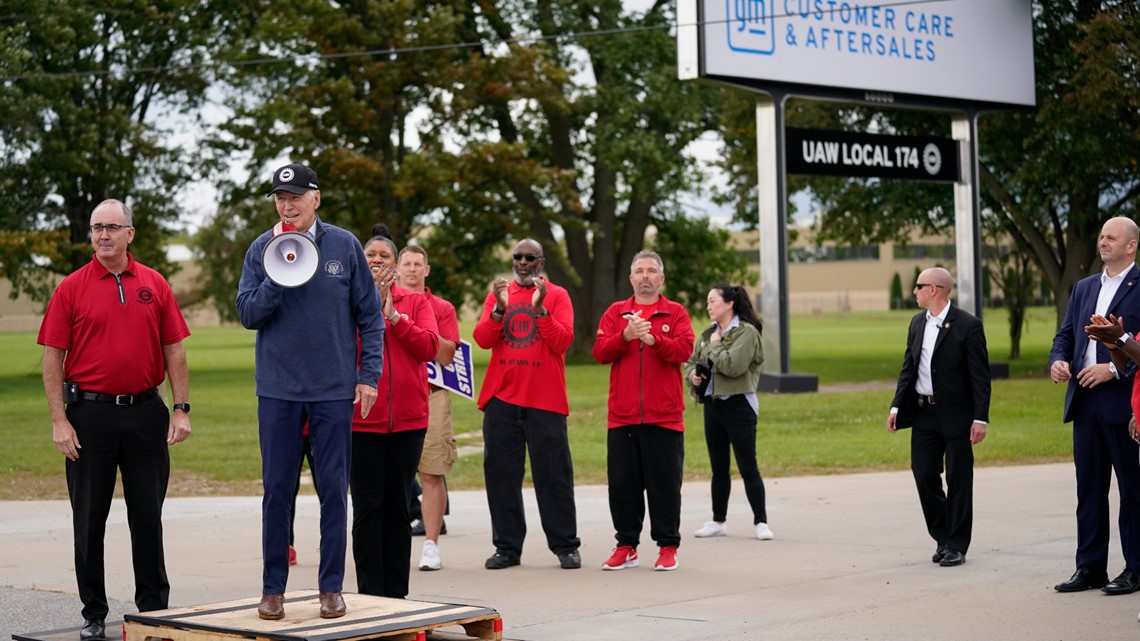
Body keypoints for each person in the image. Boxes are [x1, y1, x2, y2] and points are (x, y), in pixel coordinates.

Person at [38, 199, 191, 640]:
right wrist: (59, 420)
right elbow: (53, 358)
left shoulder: (155, 284)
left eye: (112, 227)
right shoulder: (71, 287)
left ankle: (153, 611)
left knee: (148, 516)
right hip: (89, 416)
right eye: (96, 228)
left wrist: (180, 408)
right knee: (89, 519)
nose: (103, 235)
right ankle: (93, 612)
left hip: (146, 413)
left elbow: (174, 349)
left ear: (130, 233)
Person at [236, 163, 384, 620]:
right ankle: (272, 589)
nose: (287, 204)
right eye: (280, 197)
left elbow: (369, 316)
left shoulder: (344, 246)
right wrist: (276, 280)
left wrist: (369, 375)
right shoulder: (262, 248)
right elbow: (247, 313)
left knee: (334, 491)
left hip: (332, 389)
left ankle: (331, 588)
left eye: (296, 196)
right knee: (277, 491)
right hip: (278, 390)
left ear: (315, 198)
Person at [473, 238, 581, 570]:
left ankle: (565, 545)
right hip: (502, 398)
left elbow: (562, 341)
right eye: (518, 256)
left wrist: (541, 309)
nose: (522, 262)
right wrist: (499, 308)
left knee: (553, 476)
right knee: (501, 475)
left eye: (529, 257)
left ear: (541, 262)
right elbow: (482, 339)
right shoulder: (499, 293)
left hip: (545, 400)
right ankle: (507, 547)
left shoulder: (558, 295)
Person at [1049, 216, 1140, 595]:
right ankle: (1089, 567)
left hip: (1124, 402)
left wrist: (1113, 371)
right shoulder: (1085, 287)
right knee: (1088, 489)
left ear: (1131, 245)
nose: (1102, 242)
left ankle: (1135, 568)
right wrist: (1059, 360)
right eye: (1101, 235)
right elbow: (1066, 333)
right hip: (1084, 402)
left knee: (1133, 490)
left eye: (1111, 237)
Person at [350, 226, 439, 598]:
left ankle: (396, 595)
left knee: (399, 508)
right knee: (368, 507)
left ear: (397, 265)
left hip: (408, 421)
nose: (377, 261)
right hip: (360, 421)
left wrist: (394, 315)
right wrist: (368, 306)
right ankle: (371, 594)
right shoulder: (347, 301)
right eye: (369, 256)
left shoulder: (416, 303)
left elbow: (431, 347)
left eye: (384, 256)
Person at [593, 251, 695, 571]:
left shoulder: (675, 313)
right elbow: (600, 352)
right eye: (640, 271)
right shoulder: (615, 312)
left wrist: (652, 339)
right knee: (623, 486)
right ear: (631, 279)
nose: (646, 276)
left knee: (664, 486)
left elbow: (684, 349)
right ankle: (626, 545)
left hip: (664, 417)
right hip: (622, 417)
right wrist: (626, 335)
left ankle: (667, 546)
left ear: (661, 279)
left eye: (652, 271)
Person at [886, 267, 991, 567]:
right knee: (924, 474)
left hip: (957, 415)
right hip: (923, 412)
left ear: (934, 289)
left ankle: (957, 545)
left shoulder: (968, 326)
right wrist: (896, 407)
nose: (914, 291)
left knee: (959, 479)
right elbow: (909, 367)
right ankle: (943, 535)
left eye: (918, 286)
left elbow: (980, 377)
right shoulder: (917, 323)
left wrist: (980, 418)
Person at [684, 284, 771, 541]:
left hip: (739, 405)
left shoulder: (747, 333)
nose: (708, 306)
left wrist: (714, 346)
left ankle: (761, 521)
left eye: (713, 301)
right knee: (718, 467)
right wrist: (692, 376)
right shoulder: (709, 333)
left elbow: (733, 366)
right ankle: (718, 520)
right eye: (707, 301)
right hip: (713, 404)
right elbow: (690, 363)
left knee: (748, 466)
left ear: (729, 303)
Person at [397, 245, 460, 571]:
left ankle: (431, 545)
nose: (411, 269)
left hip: (432, 393)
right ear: (397, 268)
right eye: (406, 263)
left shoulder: (442, 307)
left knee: (431, 471)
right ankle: (391, 542)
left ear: (427, 269)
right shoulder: (383, 299)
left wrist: (422, 332)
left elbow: (447, 354)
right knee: (390, 473)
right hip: (392, 392)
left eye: (417, 264)